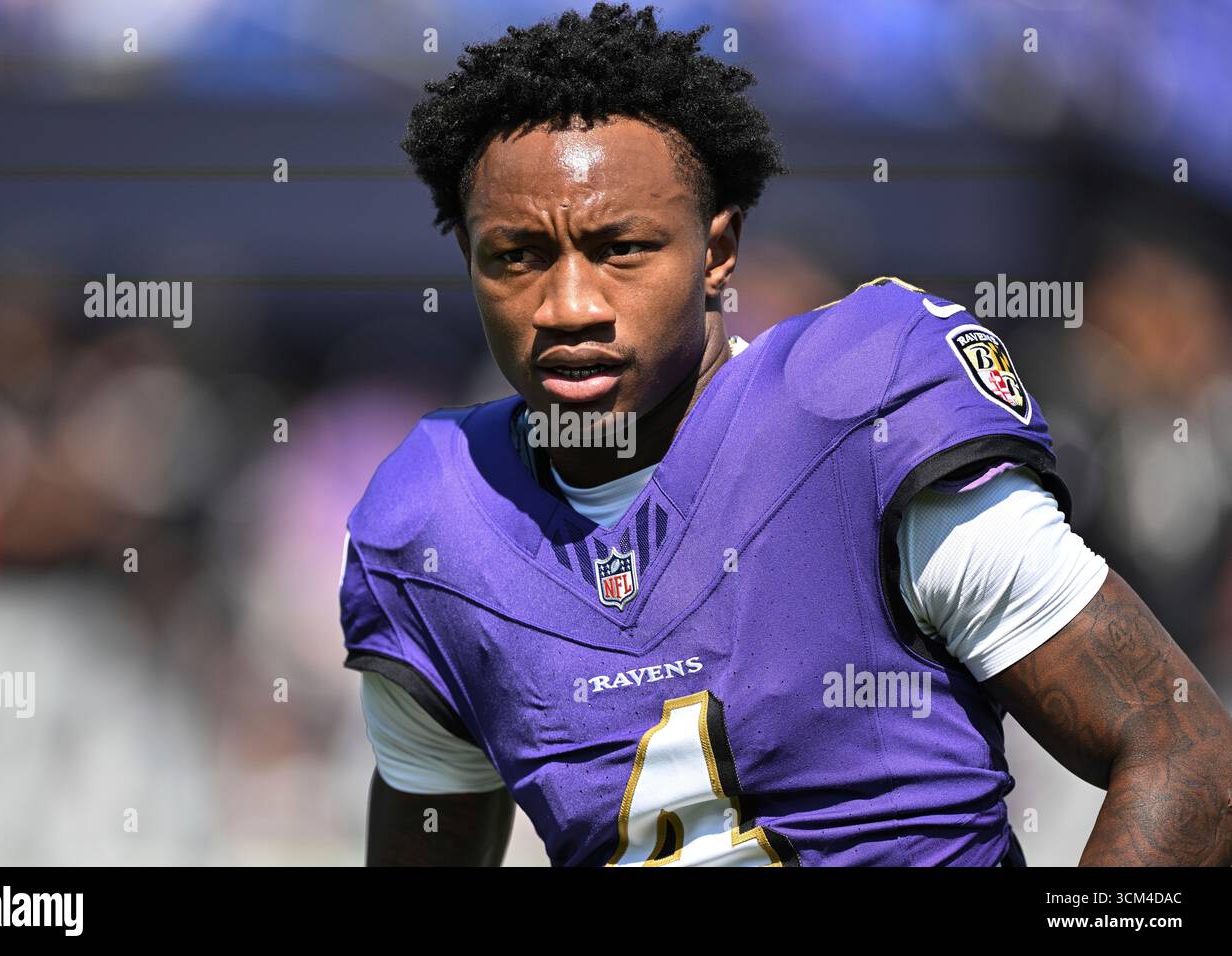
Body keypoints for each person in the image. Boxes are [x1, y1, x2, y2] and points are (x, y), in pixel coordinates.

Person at [339, 3, 1232, 866]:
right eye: (517, 256)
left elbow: (1188, 755)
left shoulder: (857, 416)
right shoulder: (434, 523)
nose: (571, 306)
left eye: (623, 248)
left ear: (718, 251)